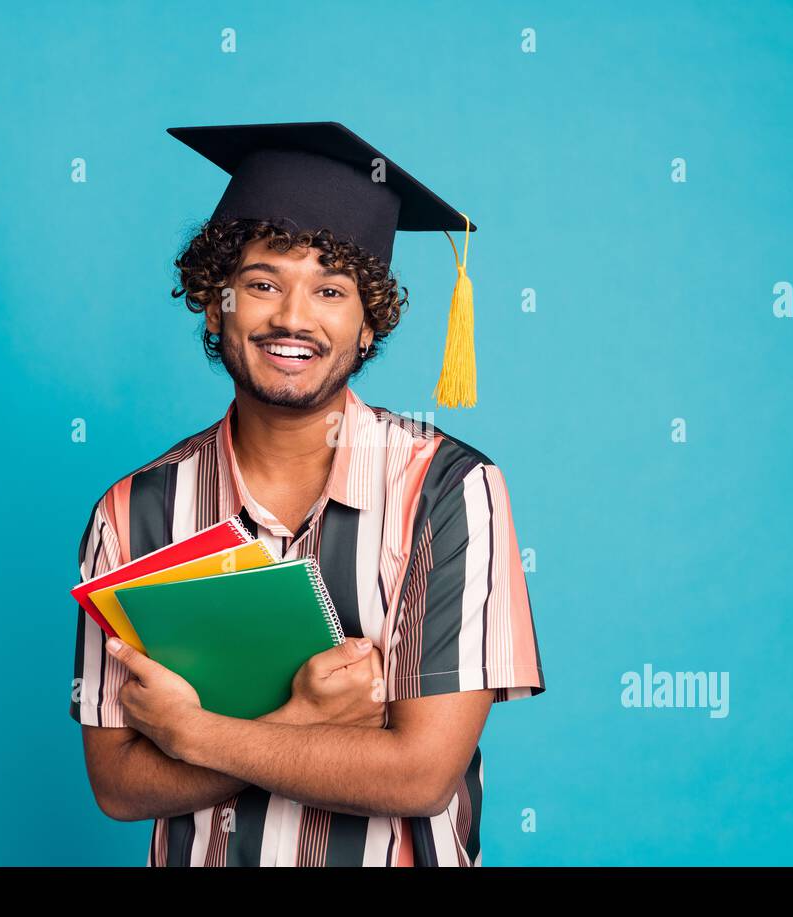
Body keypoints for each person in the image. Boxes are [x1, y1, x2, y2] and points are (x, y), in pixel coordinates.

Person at [69, 122, 545, 866]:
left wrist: (194, 734)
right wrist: (304, 717)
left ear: (367, 326)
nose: (293, 317)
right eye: (262, 284)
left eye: (331, 290)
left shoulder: (449, 491)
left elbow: (421, 775)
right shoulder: (132, 514)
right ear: (213, 303)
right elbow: (120, 787)